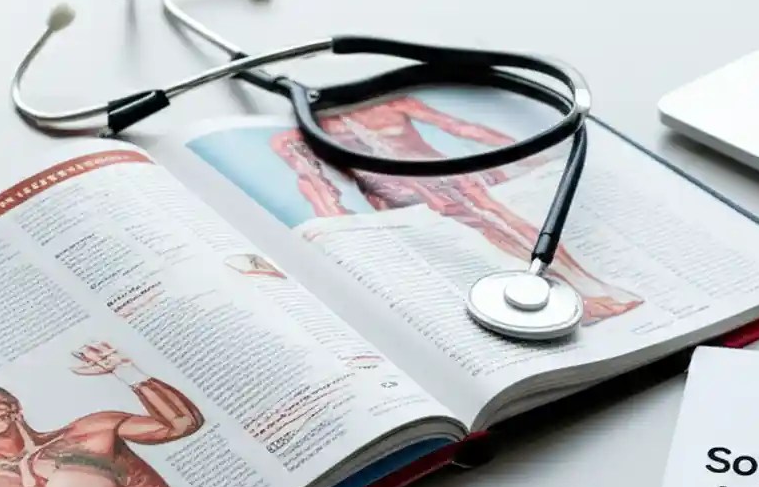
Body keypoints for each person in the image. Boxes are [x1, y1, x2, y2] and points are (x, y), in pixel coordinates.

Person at [270, 95, 644, 323]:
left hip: (454, 178)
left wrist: (534, 161)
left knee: (514, 226)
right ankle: (569, 296)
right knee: (470, 245)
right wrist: (338, 225)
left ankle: (586, 292)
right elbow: (313, 182)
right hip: (396, 197)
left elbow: (462, 129)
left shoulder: (396, 105)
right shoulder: (291, 139)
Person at [0, 342, 204, 487]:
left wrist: (127, 372)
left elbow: (182, 424)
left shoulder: (89, 432)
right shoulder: (1, 480)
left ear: (15, 406)